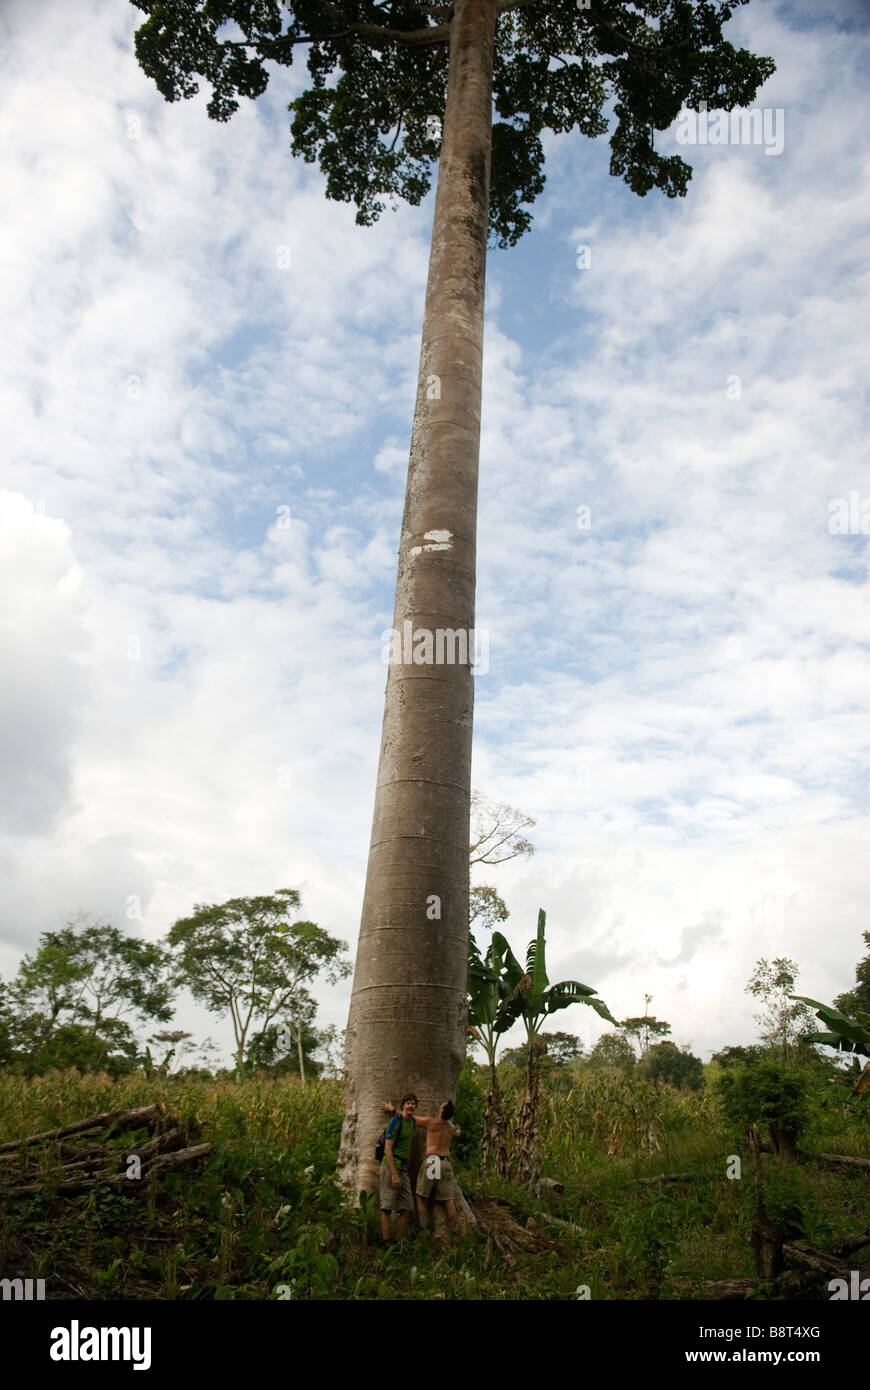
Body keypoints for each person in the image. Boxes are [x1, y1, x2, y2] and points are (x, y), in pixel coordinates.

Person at [381, 1097, 461, 1233]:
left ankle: (424, 1227)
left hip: (432, 1161)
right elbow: (458, 1133)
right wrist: (459, 1130)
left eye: (441, 1105)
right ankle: (454, 1229)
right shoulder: (451, 1129)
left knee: (420, 1195)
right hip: (446, 1163)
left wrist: (393, 1110)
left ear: (442, 1110)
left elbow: (410, 1118)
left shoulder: (431, 1122)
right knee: (448, 1199)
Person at [379, 1093, 417, 1243]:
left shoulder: (412, 1122)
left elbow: (408, 1117)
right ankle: (386, 1242)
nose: (411, 1105)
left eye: (413, 1103)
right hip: (391, 1166)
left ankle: (397, 1241)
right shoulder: (395, 1122)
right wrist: (394, 1174)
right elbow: (387, 1149)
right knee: (387, 1206)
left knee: (407, 1207)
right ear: (403, 1106)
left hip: (403, 1169)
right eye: (408, 1103)